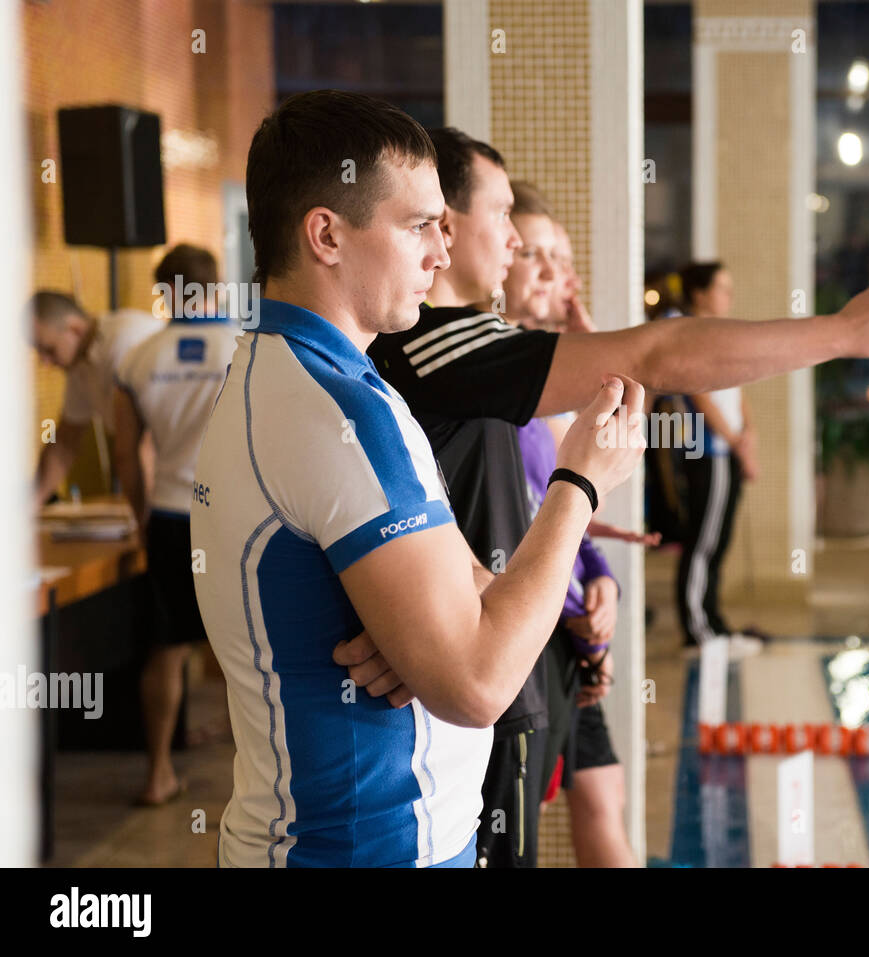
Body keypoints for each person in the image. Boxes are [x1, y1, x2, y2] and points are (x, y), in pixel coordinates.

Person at [366, 126, 869, 865]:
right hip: (477, 677)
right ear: (449, 225)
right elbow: (661, 355)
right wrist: (840, 334)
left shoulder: (464, 345)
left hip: (515, 657)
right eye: (503, 219)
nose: (517, 246)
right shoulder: (437, 345)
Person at [191, 89, 645, 868]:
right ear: (326, 235)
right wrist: (581, 481)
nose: (440, 253)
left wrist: (426, 630)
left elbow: (465, 596)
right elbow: (477, 684)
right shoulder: (343, 411)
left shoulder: (274, 370)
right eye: (416, 227)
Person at [500, 181, 635, 866]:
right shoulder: (500, 396)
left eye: (562, 258)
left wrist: (603, 579)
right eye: (537, 253)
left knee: (603, 798)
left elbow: (567, 515)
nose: (559, 275)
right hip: (537, 636)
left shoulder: (541, 389)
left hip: (568, 628)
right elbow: (507, 535)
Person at [112, 244, 240, 806]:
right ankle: (255, 772)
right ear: (215, 285)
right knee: (243, 648)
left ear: (163, 292)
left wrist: (142, 518)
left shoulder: (137, 360)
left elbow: (124, 454)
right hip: (231, 515)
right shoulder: (246, 346)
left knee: (164, 649)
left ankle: (158, 772)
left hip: (168, 515)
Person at [674, 261, 762, 654]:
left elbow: (737, 392)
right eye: (721, 288)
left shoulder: (721, 333)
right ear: (699, 293)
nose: (729, 295)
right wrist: (733, 440)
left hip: (729, 450)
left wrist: (749, 440)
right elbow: (699, 393)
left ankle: (714, 621)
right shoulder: (686, 331)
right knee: (704, 541)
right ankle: (697, 630)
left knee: (720, 540)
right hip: (707, 451)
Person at [29, 290, 161, 506]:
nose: (45, 362)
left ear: (74, 329)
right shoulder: (80, 365)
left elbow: (143, 444)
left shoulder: (123, 343)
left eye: (49, 350)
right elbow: (63, 442)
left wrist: (144, 522)